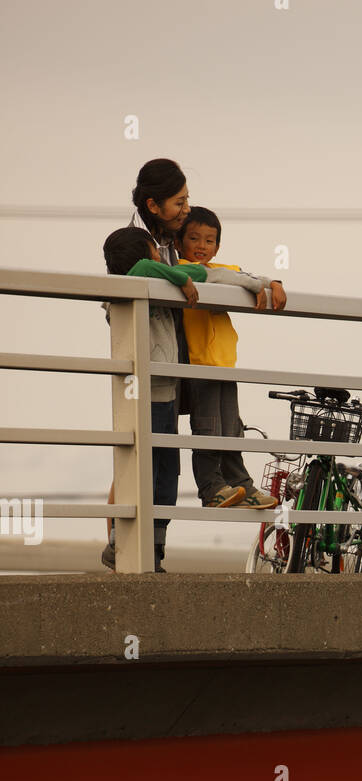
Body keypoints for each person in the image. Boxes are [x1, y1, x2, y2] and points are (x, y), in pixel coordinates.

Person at [104, 159, 191, 551]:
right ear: (153, 205)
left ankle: (150, 546)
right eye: (179, 201)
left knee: (160, 459)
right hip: (143, 362)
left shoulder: (173, 241)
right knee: (138, 454)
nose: (186, 208)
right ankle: (120, 544)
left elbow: (204, 270)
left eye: (188, 199)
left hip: (168, 362)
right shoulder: (134, 242)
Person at [176, 206, 287, 508]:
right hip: (200, 366)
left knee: (231, 428)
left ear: (218, 246)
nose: (201, 246)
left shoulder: (224, 269)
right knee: (209, 428)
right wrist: (259, 282)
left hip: (224, 365)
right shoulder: (184, 270)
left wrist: (272, 283)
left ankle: (240, 485)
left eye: (209, 241)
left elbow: (239, 275)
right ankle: (212, 488)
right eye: (194, 238)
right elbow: (222, 278)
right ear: (178, 242)